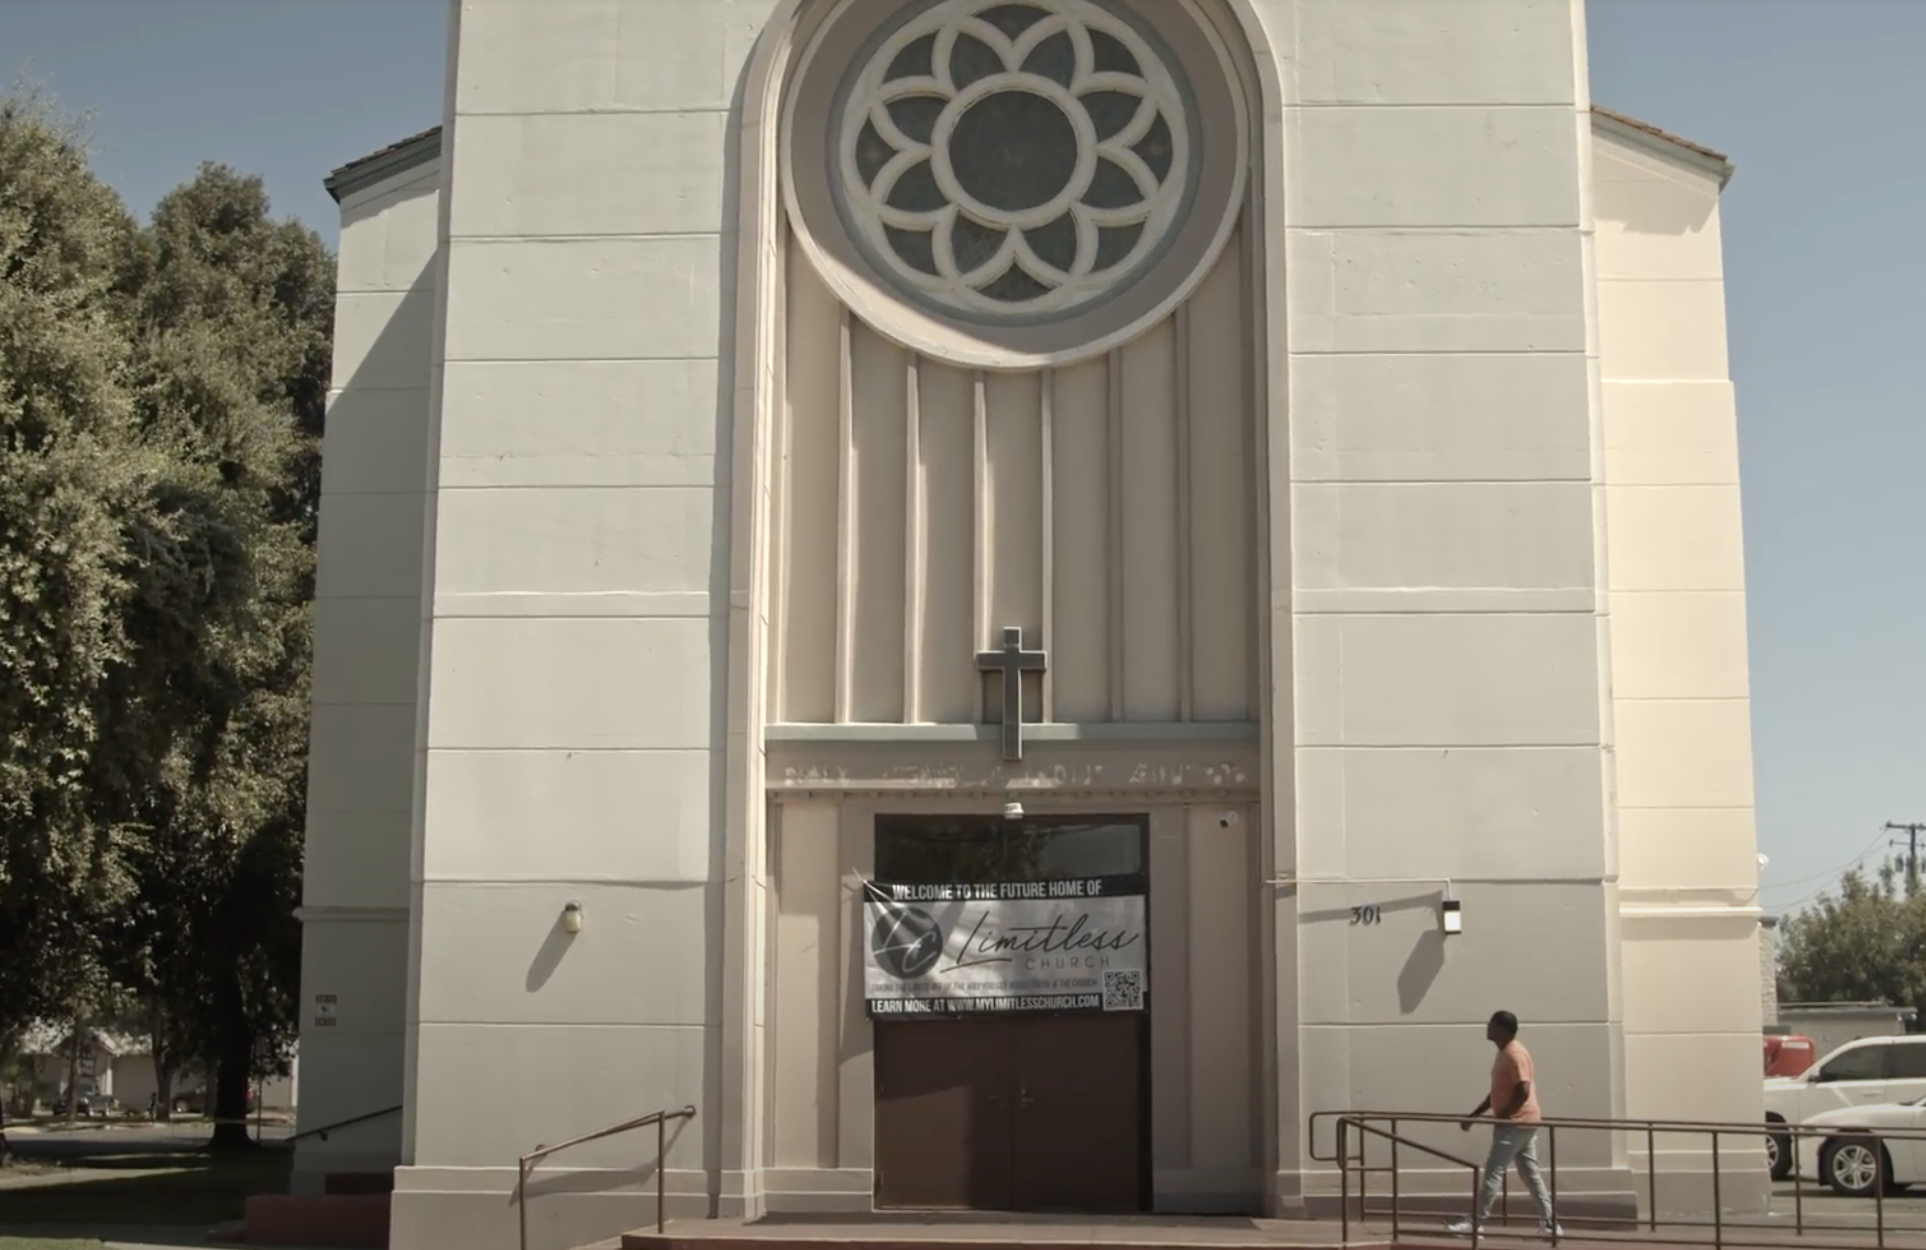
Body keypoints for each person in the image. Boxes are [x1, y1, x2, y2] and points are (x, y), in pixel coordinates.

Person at [1446, 1010, 1563, 1238]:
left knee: (1493, 1172)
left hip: (1515, 1125)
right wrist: (1474, 1116)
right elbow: (1497, 1093)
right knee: (1531, 1175)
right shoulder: (1504, 1053)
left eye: (1491, 1024)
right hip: (1523, 1124)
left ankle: (1476, 1223)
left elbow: (1523, 1089)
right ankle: (1550, 1224)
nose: (1487, 1027)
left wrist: (1506, 1115)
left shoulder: (1514, 1054)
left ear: (1502, 1029)